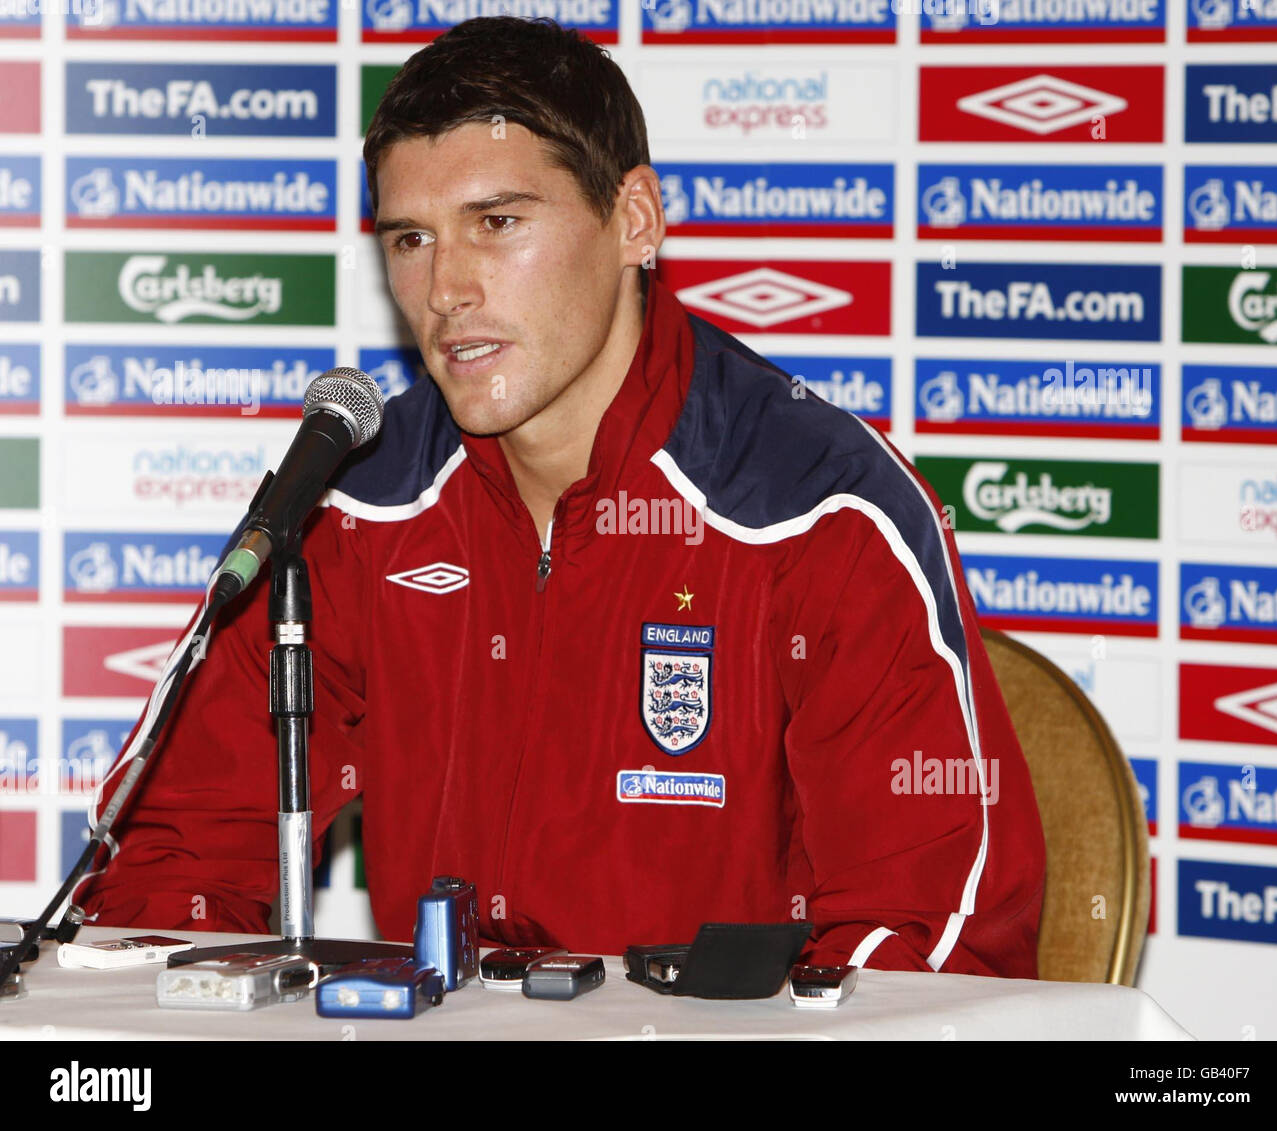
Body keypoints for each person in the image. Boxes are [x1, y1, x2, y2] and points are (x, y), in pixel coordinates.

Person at [81, 17, 1045, 976]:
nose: (446, 288)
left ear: (635, 220)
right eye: (411, 238)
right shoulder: (354, 507)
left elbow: (927, 940)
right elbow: (172, 849)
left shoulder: (815, 509)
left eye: (497, 223)